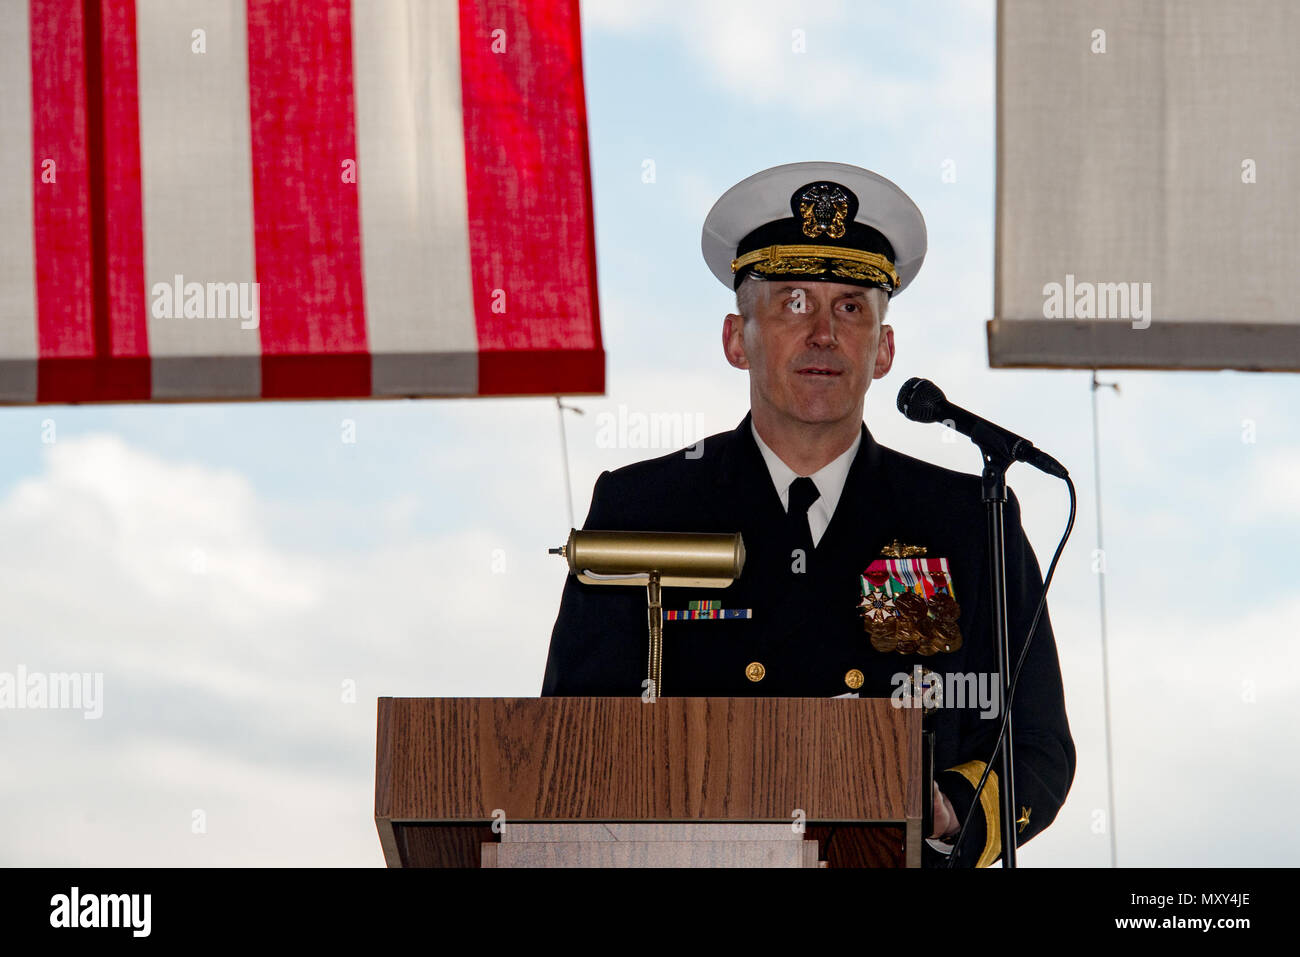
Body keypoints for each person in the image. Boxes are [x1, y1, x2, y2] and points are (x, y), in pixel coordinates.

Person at [541, 162, 1075, 867]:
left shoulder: (969, 520)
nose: (823, 333)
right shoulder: (644, 506)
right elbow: (569, 738)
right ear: (737, 338)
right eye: (793, 303)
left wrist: (945, 808)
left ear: (883, 349)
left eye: (851, 308)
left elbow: (1037, 746)